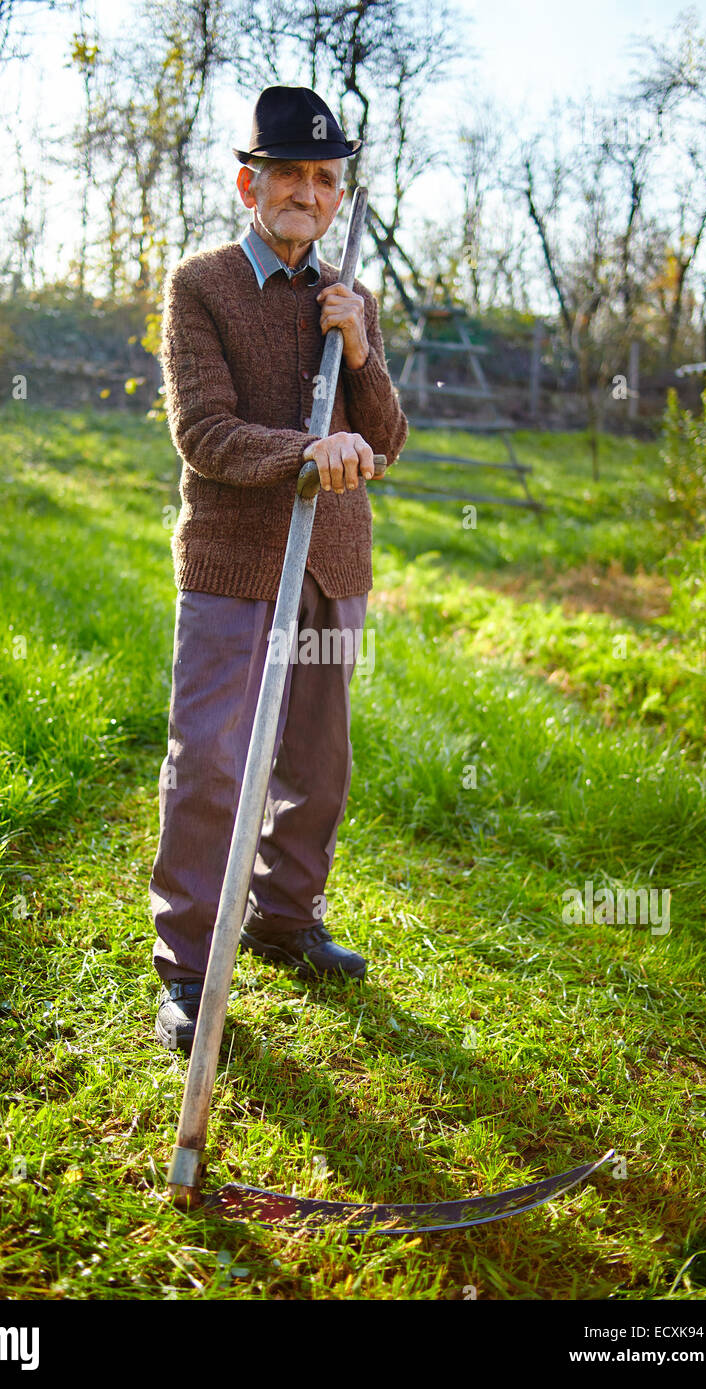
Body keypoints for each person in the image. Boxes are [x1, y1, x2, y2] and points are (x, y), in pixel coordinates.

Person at [149, 85, 408, 1053]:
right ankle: (183, 964)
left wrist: (358, 349)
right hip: (232, 558)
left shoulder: (352, 298)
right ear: (247, 179)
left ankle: (284, 918)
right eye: (288, 174)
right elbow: (203, 432)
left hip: (331, 556)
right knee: (213, 757)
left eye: (324, 178)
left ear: (339, 193)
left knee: (315, 759)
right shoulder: (201, 285)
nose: (307, 192)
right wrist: (303, 452)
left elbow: (385, 438)